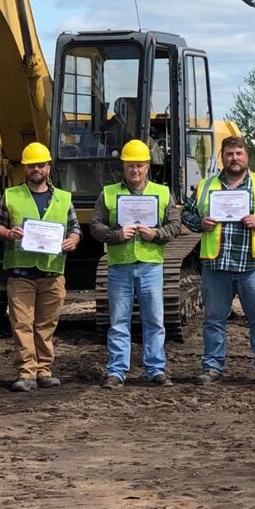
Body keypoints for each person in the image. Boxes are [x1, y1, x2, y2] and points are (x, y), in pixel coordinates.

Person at [181, 135, 255, 385]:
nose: (234, 158)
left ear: (246, 156)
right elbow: (186, 214)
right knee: (213, 320)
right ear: (222, 157)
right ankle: (212, 367)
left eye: (239, 153)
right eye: (230, 154)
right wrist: (200, 222)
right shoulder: (205, 186)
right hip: (216, 266)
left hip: (251, 266)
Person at [90, 138, 181, 388]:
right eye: (130, 165)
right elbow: (96, 226)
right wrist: (116, 236)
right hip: (120, 266)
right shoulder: (108, 194)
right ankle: (117, 371)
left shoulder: (162, 193)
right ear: (124, 167)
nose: (135, 170)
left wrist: (157, 235)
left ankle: (155, 369)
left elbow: (175, 225)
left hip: (151, 265)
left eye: (139, 165)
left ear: (148, 166)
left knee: (154, 320)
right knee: (119, 321)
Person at [0, 142, 82, 392]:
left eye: (40, 165)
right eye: (31, 166)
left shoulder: (64, 199)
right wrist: (8, 233)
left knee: (46, 325)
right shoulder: (11, 195)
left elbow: (75, 228)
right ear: (25, 168)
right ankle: (26, 373)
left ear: (48, 167)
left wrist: (73, 240)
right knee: (21, 324)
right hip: (21, 273)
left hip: (52, 273)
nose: (36, 169)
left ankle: (44, 370)